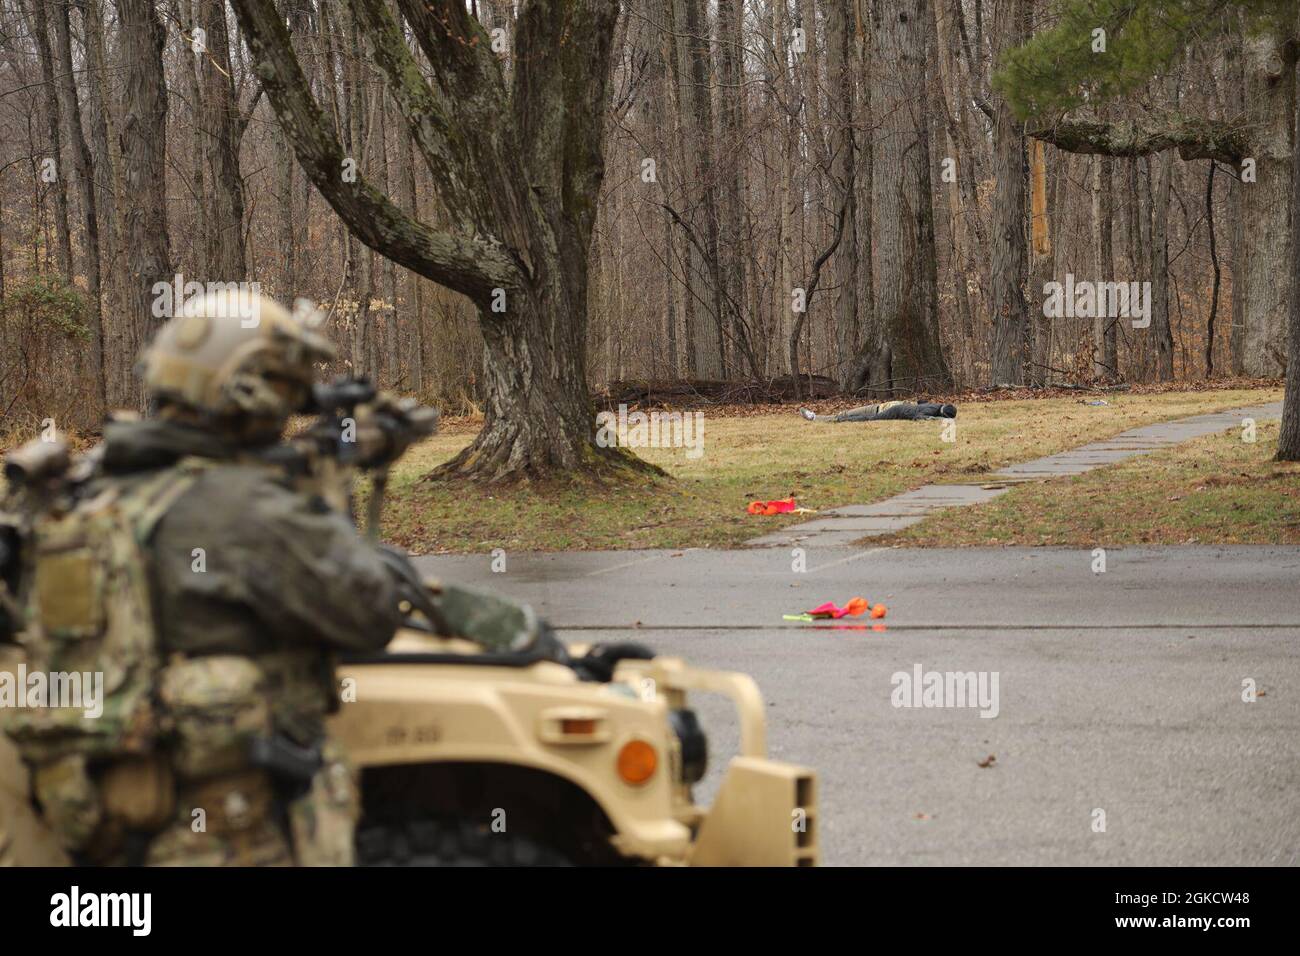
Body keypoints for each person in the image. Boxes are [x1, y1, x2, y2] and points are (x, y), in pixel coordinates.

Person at [0, 289, 407, 866]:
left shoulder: (87, 489)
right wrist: (322, 494)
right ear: (249, 391)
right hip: (226, 827)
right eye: (286, 389)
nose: (290, 406)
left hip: (86, 808)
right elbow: (368, 612)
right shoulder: (246, 508)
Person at [799, 400, 957, 423]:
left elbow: (920, 404)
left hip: (885, 405)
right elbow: (919, 417)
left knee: (848, 414)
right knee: (866, 418)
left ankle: (816, 417)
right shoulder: (932, 412)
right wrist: (939, 420)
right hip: (892, 409)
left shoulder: (934, 405)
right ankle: (820, 418)